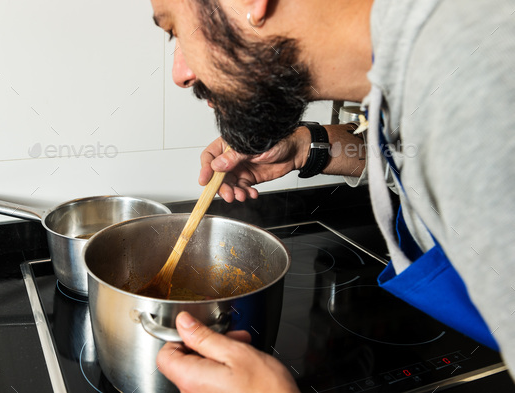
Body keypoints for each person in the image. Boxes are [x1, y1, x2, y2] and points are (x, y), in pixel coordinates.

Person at [150, 0, 515, 391]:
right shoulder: (421, 63)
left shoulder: (481, 78)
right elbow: (431, 157)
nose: (180, 74)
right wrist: (309, 147)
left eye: (176, 30)